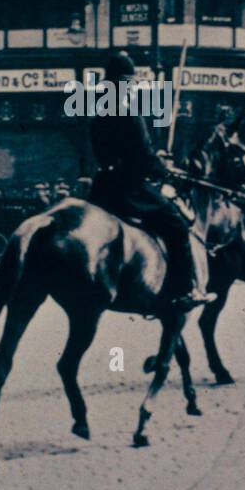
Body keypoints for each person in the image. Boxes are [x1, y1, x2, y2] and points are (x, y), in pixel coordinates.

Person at [88, 51, 210, 310]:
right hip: (130, 188)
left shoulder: (98, 112)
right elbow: (143, 156)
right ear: (126, 83)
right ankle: (184, 289)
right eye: (131, 83)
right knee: (177, 224)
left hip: (102, 188)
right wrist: (163, 169)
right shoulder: (130, 114)